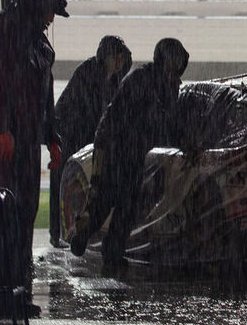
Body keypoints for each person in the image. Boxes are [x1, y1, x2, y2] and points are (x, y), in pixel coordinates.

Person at [0, 0, 68, 315]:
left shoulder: (36, 42)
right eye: (50, 11)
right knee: (0, 217)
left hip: (25, 143)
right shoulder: (0, 31)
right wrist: (1, 127)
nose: (51, 19)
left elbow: (44, 96)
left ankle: (13, 293)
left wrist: (51, 136)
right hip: (4, 144)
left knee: (21, 216)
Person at [69, 38, 189, 273]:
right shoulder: (141, 79)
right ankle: (85, 235)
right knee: (107, 199)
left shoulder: (165, 84)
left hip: (133, 150)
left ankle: (112, 250)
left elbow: (170, 121)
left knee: (127, 203)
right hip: (116, 146)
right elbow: (121, 118)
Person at [49, 35, 132, 247]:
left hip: (86, 134)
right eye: (117, 58)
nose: (120, 63)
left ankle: (77, 230)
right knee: (63, 181)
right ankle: (58, 233)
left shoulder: (114, 78)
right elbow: (89, 110)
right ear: (107, 57)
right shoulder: (88, 72)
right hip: (70, 132)